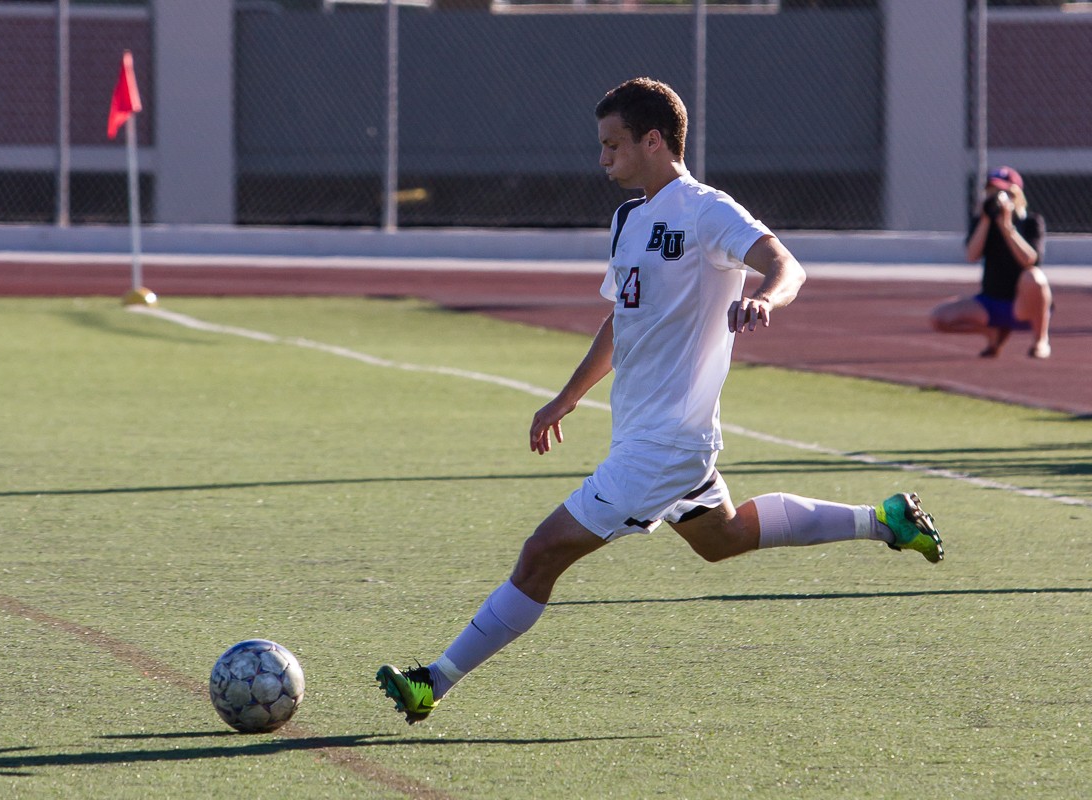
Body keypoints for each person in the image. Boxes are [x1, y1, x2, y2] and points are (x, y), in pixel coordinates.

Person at [376, 77, 943, 725]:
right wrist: (564, 399)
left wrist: (765, 296)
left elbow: (786, 264)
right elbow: (622, 320)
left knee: (541, 553)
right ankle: (886, 520)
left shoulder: (706, 209)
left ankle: (434, 681)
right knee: (721, 539)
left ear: (653, 140)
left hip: (663, 446)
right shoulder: (626, 219)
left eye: (613, 144)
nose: (602, 158)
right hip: (647, 435)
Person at [930, 167, 1052, 359]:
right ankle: (992, 335)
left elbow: (1030, 260)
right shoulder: (983, 223)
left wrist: (1007, 227)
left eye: (1004, 193)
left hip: (1023, 306)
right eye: (992, 192)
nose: (997, 197)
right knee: (938, 317)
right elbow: (972, 256)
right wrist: (986, 220)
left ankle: (1040, 340)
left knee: (1035, 277)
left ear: (1018, 195)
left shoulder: (1031, 221)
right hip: (991, 302)